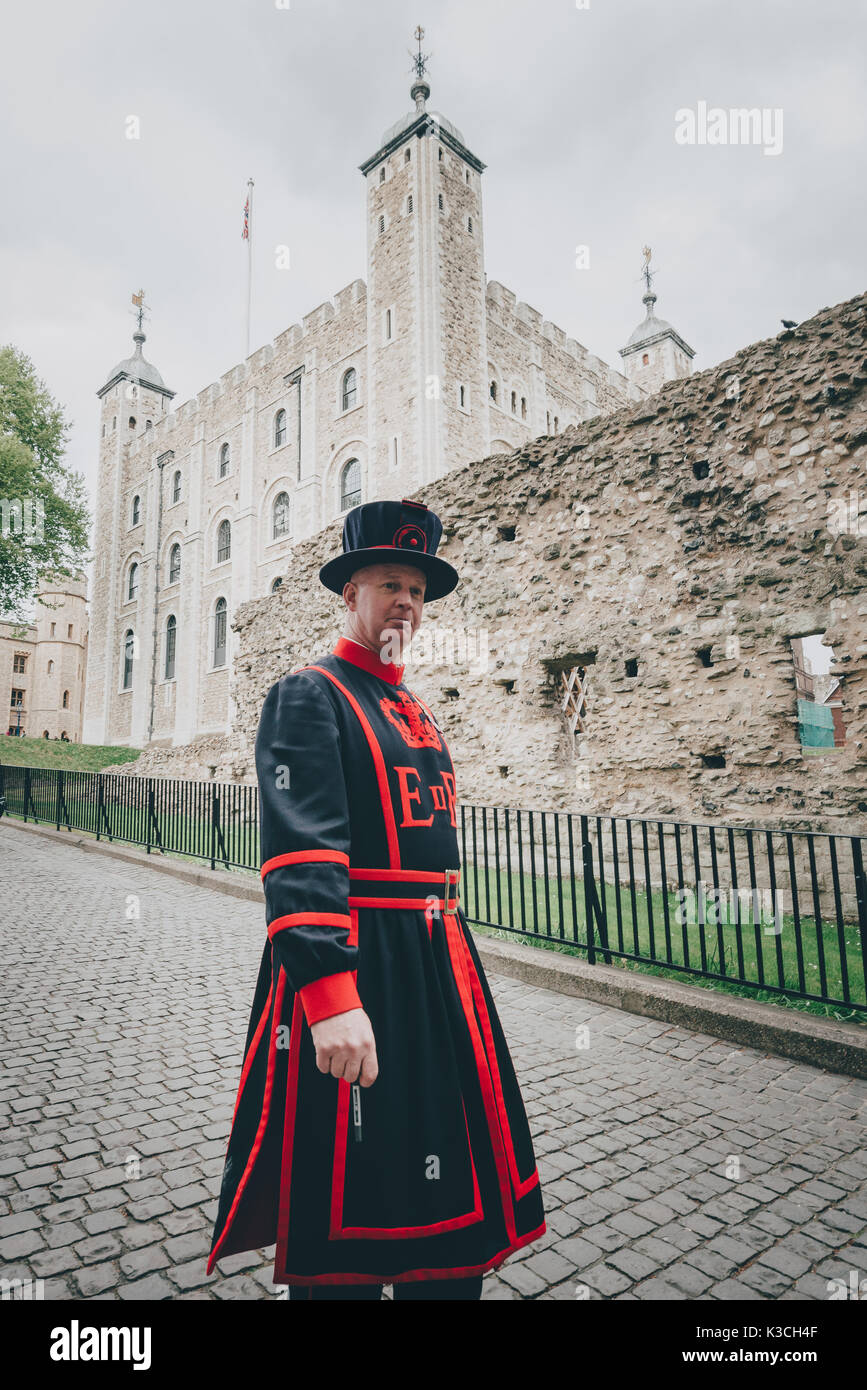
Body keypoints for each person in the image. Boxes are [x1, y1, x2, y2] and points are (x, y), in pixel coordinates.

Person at [206, 498, 546, 1299]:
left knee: (450, 1177)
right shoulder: (308, 692)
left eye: (418, 591)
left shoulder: (413, 707)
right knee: (346, 1202)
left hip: (437, 970)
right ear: (349, 593)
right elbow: (301, 850)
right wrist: (328, 995)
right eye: (391, 582)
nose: (406, 603)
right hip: (358, 966)